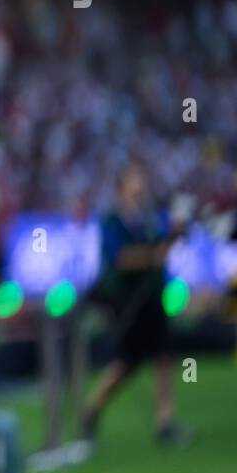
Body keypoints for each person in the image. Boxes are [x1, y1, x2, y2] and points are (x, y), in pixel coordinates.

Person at [80, 162, 191, 446]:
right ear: (122, 188)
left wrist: (177, 232)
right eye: (133, 181)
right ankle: (92, 407)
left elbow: (165, 246)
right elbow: (121, 259)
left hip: (153, 297)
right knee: (126, 363)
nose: (140, 187)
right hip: (128, 301)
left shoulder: (151, 219)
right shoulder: (111, 221)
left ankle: (164, 422)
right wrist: (154, 255)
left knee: (163, 357)